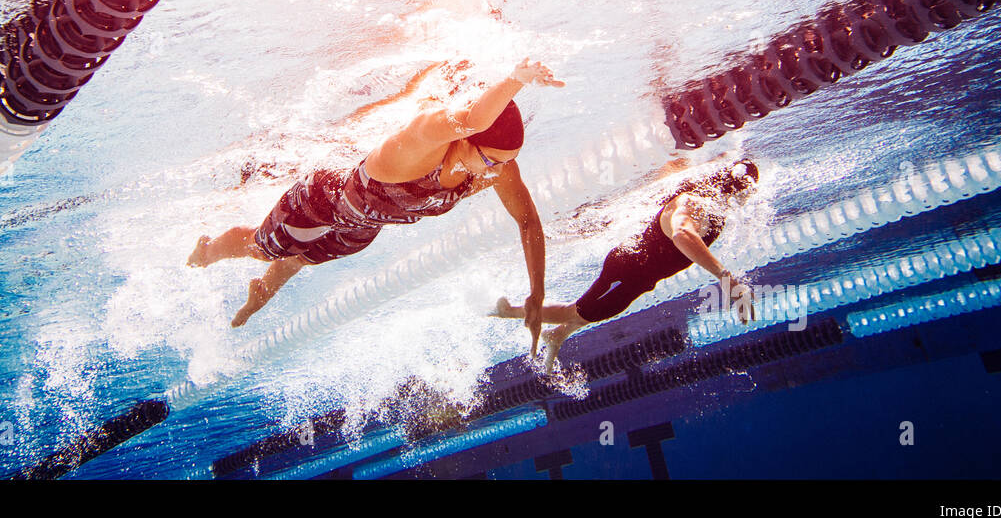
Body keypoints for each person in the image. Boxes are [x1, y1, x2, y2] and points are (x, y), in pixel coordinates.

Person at [188, 58, 564, 352]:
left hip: (365, 227)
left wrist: (537, 293)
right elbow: (470, 117)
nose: (497, 172)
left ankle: (261, 294)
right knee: (265, 248)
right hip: (325, 198)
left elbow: (528, 221)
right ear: (465, 139)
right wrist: (518, 78)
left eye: (506, 161)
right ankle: (209, 250)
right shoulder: (422, 139)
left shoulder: (492, 165)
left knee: (303, 258)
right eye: (490, 160)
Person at [492, 159, 760, 371]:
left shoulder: (714, 209)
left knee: (590, 312)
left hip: (637, 277)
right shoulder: (696, 204)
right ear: (737, 189)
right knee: (576, 312)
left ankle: (558, 336)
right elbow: (681, 235)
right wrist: (728, 278)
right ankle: (509, 311)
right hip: (627, 270)